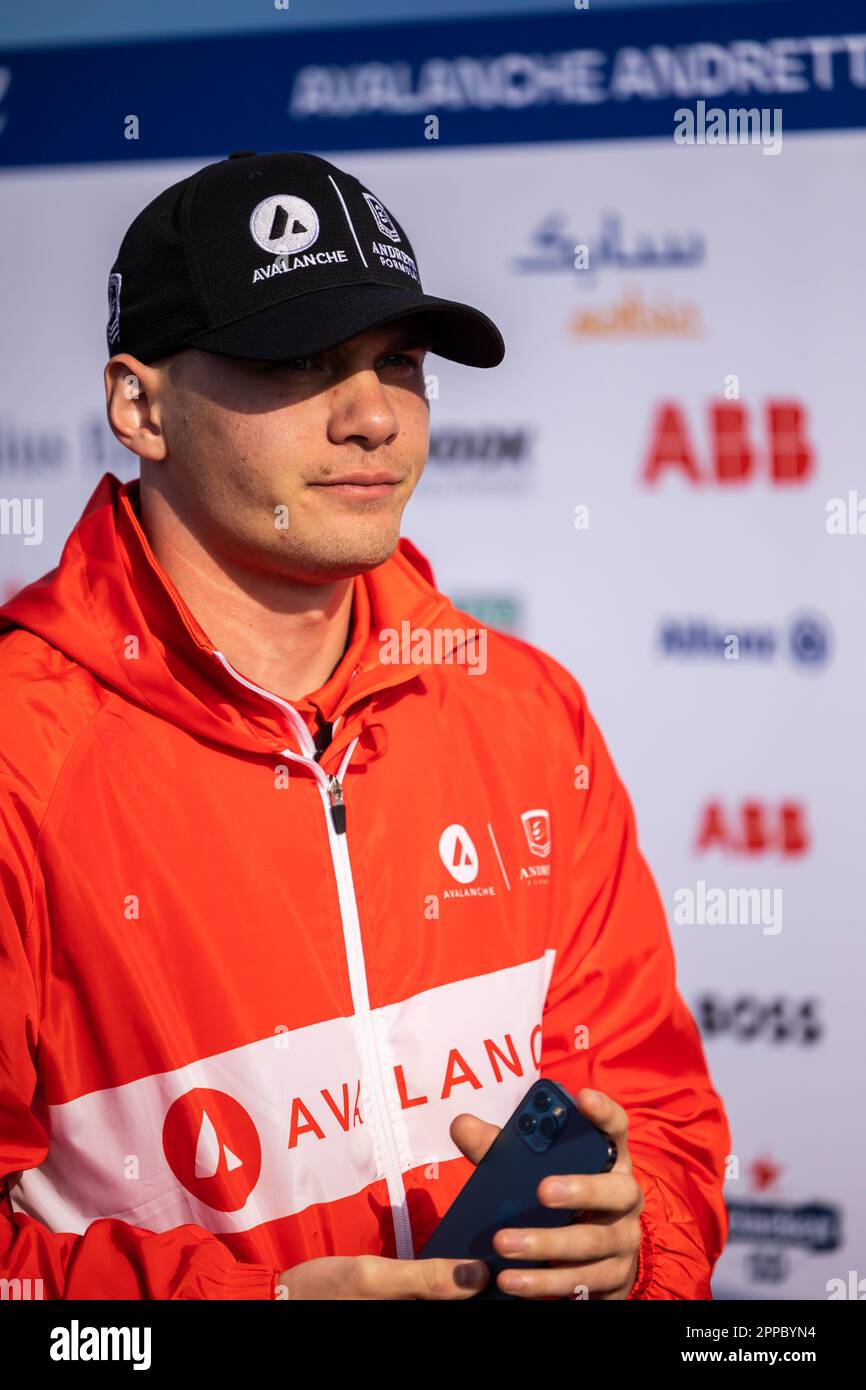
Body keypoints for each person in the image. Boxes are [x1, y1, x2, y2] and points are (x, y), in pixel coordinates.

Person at [0, 150, 730, 1301]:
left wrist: (639, 1250)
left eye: (398, 363)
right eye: (298, 359)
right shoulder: (20, 750)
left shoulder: (524, 709)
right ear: (140, 406)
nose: (374, 415)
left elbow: (654, 1109)